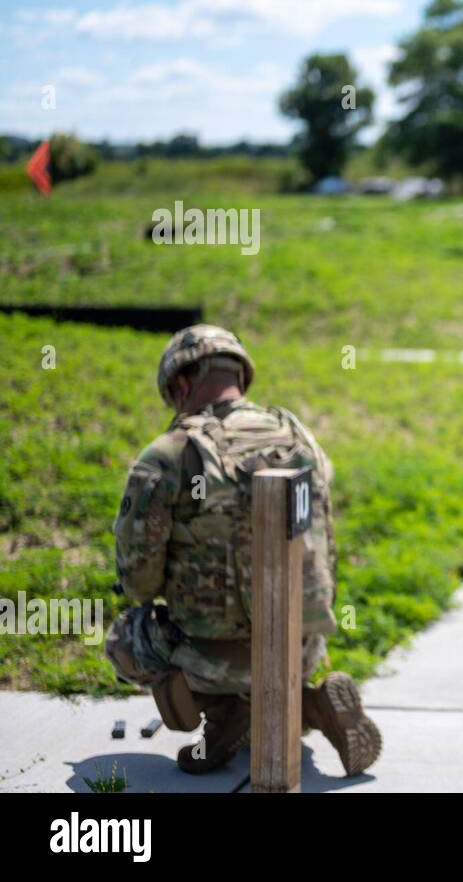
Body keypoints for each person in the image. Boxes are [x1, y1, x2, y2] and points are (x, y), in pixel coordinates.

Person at [105, 324, 382, 776]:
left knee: (123, 640)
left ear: (181, 384)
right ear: (240, 374)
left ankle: (224, 711)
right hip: (302, 643)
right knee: (270, 650)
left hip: (217, 656)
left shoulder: (169, 455)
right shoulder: (298, 435)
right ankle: (309, 704)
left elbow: (138, 582)